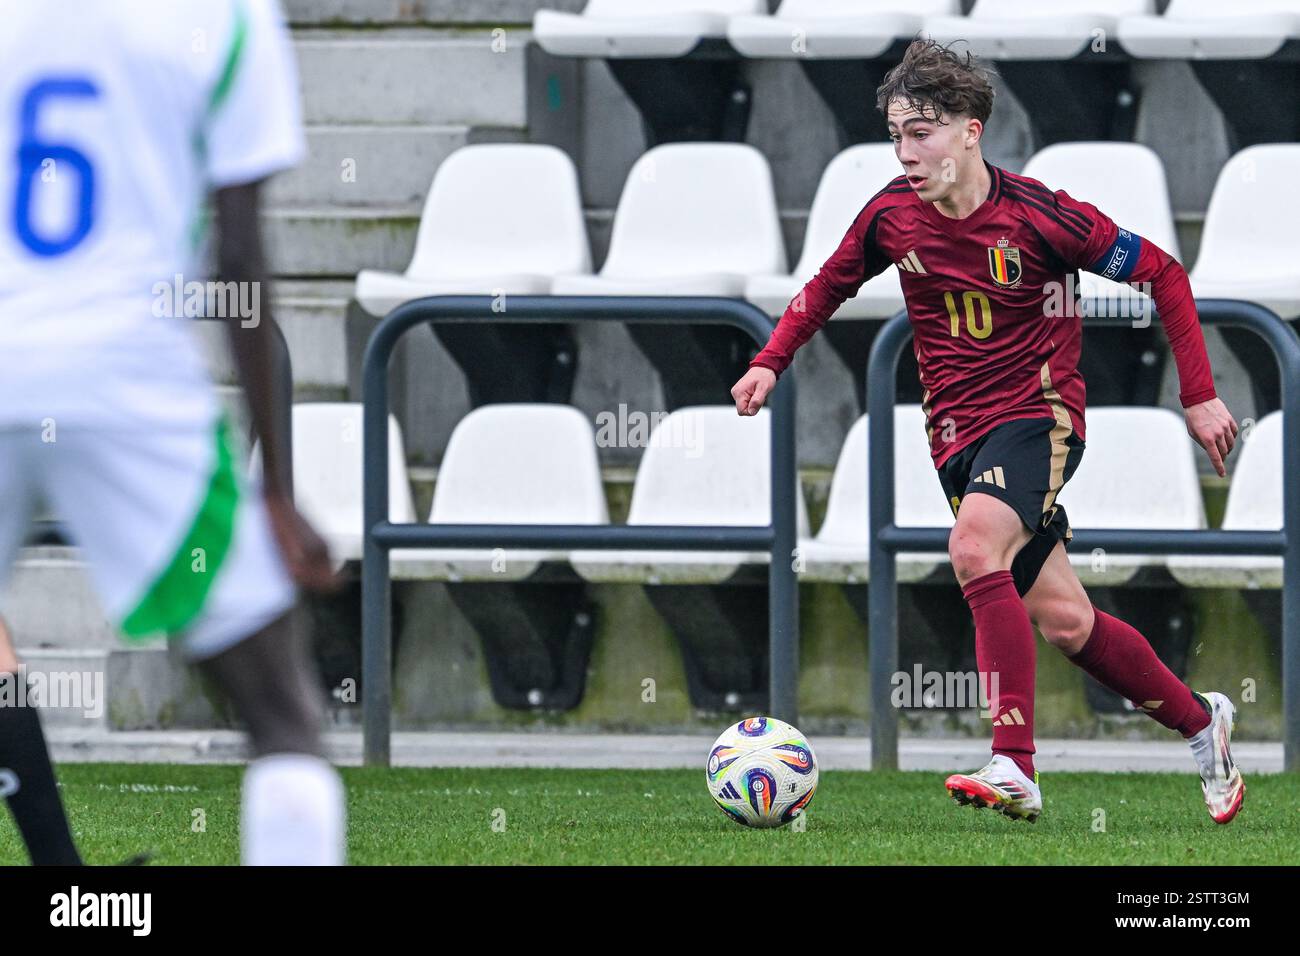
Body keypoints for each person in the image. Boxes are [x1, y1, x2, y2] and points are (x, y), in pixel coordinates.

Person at [730, 38, 1243, 824]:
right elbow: (824, 288)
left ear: (971, 129)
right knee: (1068, 621)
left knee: (972, 548)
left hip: (1040, 419)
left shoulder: (1042, 216)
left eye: (922, 132)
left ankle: (1015, 763)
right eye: (897, 134)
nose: (905, 152)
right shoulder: (890, 217)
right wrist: (770, 361)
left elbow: (1164, 274)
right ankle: (1203, 724)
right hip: (955, 439)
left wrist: (1200, 396)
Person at [0, 0, 346, 863]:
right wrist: (276, 489)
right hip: (129, 375)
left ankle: (63, 882)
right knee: (279, 713)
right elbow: (238, 256)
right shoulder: (227, 15)